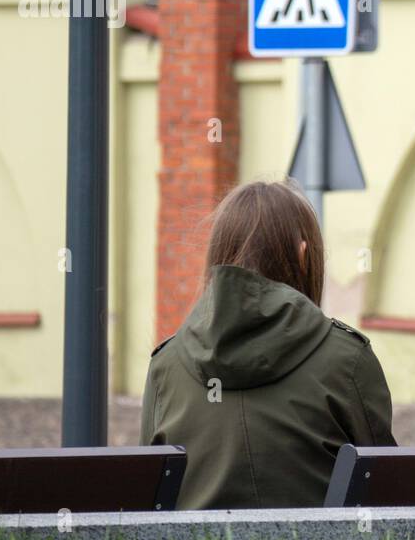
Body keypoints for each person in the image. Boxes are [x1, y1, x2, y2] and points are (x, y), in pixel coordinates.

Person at [140, 179, 395, 508]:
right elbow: (386, 491)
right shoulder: (347, 358)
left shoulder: (166, 365)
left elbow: (149, 502)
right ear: (304, 256)